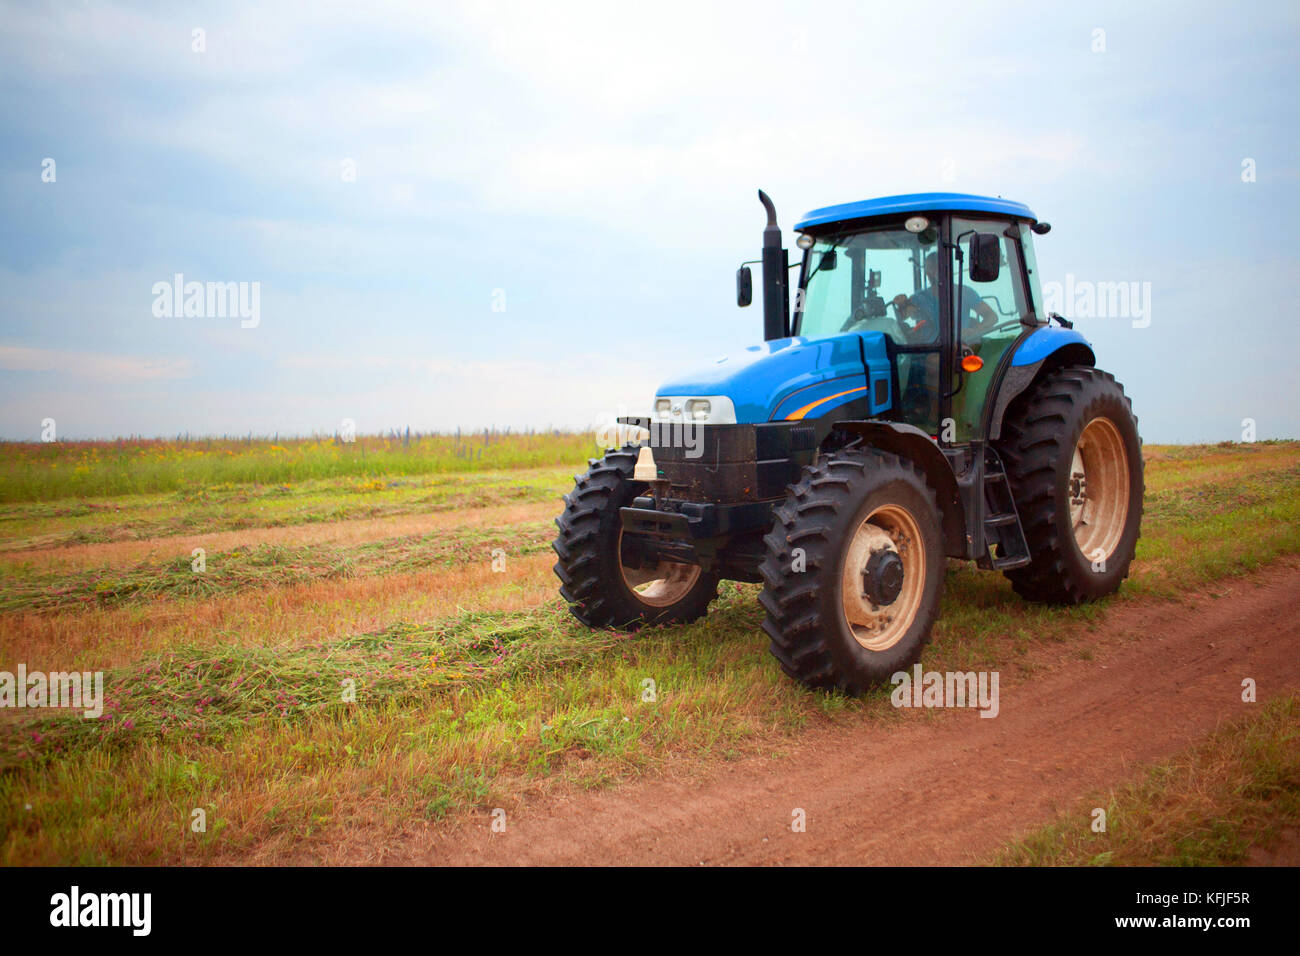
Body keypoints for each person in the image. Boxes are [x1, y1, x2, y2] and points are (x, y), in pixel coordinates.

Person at [891, 252, 998, 347]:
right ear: (927, 273)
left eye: (936, 268)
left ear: (947, 269)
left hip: (961, 347)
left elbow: (992, 316)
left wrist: (975, 331)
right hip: (929, 351)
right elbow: (904, 316)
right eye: (930, 269)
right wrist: (901, 304)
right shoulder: (919, 298)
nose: (932, 273)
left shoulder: (965, 293)